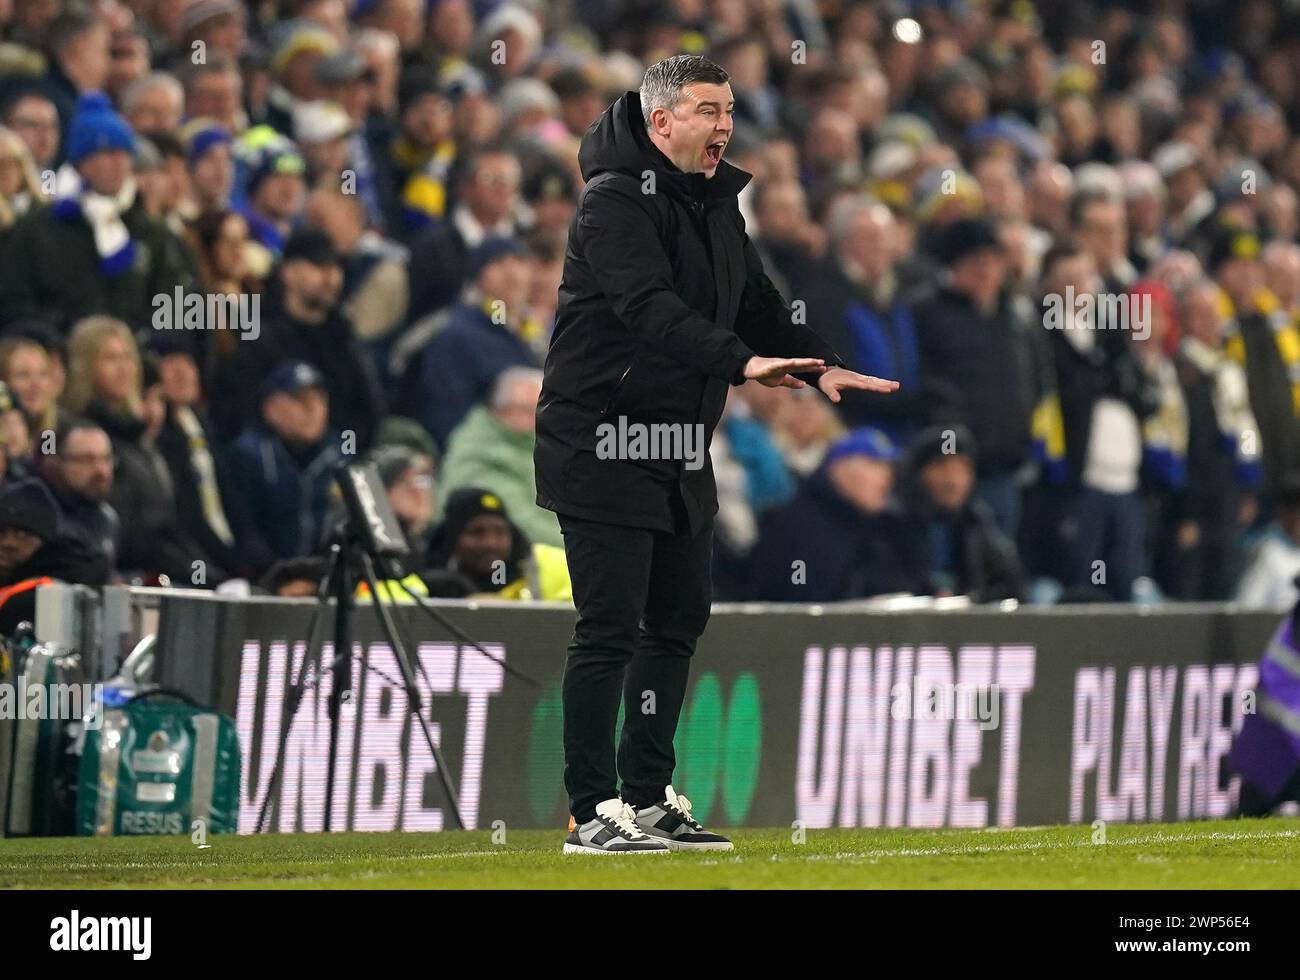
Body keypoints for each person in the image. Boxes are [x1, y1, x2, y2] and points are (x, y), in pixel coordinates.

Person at [535, 55, 897, 854]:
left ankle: (648, 794)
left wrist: (815, 358)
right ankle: (591, 809)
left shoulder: (714, 205)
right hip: (601, 439)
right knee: (608, 627)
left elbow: (758, 304)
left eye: (728, 109)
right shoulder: (613, 204)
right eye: (706, 110)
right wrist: (738, 363)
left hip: (678, 442)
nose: (723, 125)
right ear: (660, 121)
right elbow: (647, 310)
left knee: (675, 621)